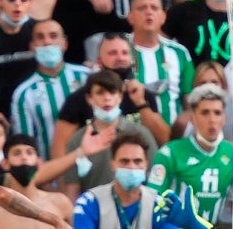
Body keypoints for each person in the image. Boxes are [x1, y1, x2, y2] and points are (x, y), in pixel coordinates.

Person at [72, 132, 219, 229]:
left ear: (146, 165)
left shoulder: (159, 204)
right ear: (112, 164)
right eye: (124, 161)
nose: (131, 167)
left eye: (137, 161)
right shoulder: (89, 202)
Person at [147, 83, 233, 229]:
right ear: (192, 118)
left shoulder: (232, 154)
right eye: (205, 112)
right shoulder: (170, 152)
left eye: (217, 113)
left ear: (224, 118)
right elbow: (152, 200)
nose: (212, 119)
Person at [59, 70, 159, 202]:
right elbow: (72, 191)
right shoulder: (78, 140)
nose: (107, 98)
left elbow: (155, 180)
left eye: (112, 92)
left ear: (120, 97)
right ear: (89, 98)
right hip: (94, 211)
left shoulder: (141, 134)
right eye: (100, 93)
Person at [9, 19, 91, 160]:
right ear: (32, 46)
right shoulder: (24, 93)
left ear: (65, 44)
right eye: (40, 37)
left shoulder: (87, 77)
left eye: (53, 36)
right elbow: (25, 143)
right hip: (52, 169)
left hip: (95, 165)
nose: (47, 42)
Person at [128, 0, 195, 126]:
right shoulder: (119, 50)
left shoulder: (180, 53)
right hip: (130, 135)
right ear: (130, 17)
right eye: (142, 8)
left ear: (163, 17)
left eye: (154, 8)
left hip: (173, 135)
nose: (148, 12)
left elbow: (190, 100)